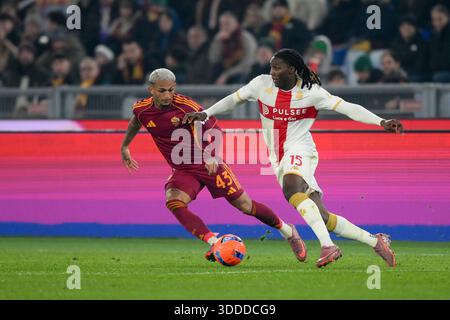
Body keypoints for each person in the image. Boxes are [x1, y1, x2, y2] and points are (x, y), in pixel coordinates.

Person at [183, 49, 403, 268]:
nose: (273, 72)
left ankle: (328, 246)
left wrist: (381, 121)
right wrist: (206, 113)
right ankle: (375, 241)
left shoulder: (312, 92)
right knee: (322, 216)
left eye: (277, 67)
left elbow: (348, 108)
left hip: (300, 148)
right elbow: (234, 99)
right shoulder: (261, 84)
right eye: (271, 67)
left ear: (292, 69)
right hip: (277, 157)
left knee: (291, 190)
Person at [121, 68, 306, 264]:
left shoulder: (186, 106)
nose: (167, 95)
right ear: (151, 89)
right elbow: (136, 122)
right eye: (162, 91)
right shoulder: (141, 109)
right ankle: (214, 241)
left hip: (209, 164)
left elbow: (215, 128)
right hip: (183, 169)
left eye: (171, 90)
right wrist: (125, 146)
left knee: (246, 206)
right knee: (173, 201)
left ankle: (288, 231)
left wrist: (211, 155)